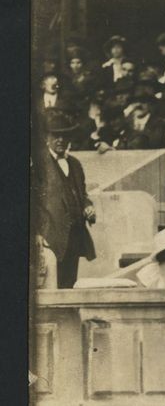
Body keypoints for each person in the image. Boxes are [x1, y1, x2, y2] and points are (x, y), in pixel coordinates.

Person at [37, 110, 96, 289]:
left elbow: (82, 194)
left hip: (75, 235)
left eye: (65, 135)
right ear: (47, 137)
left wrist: (88, 207)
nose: (60, 140)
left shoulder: (75, 164)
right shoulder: (39, 165)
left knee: (70, 284)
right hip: (50, 236)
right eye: (56, 135)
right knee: (51, 285)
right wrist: (36, 233)